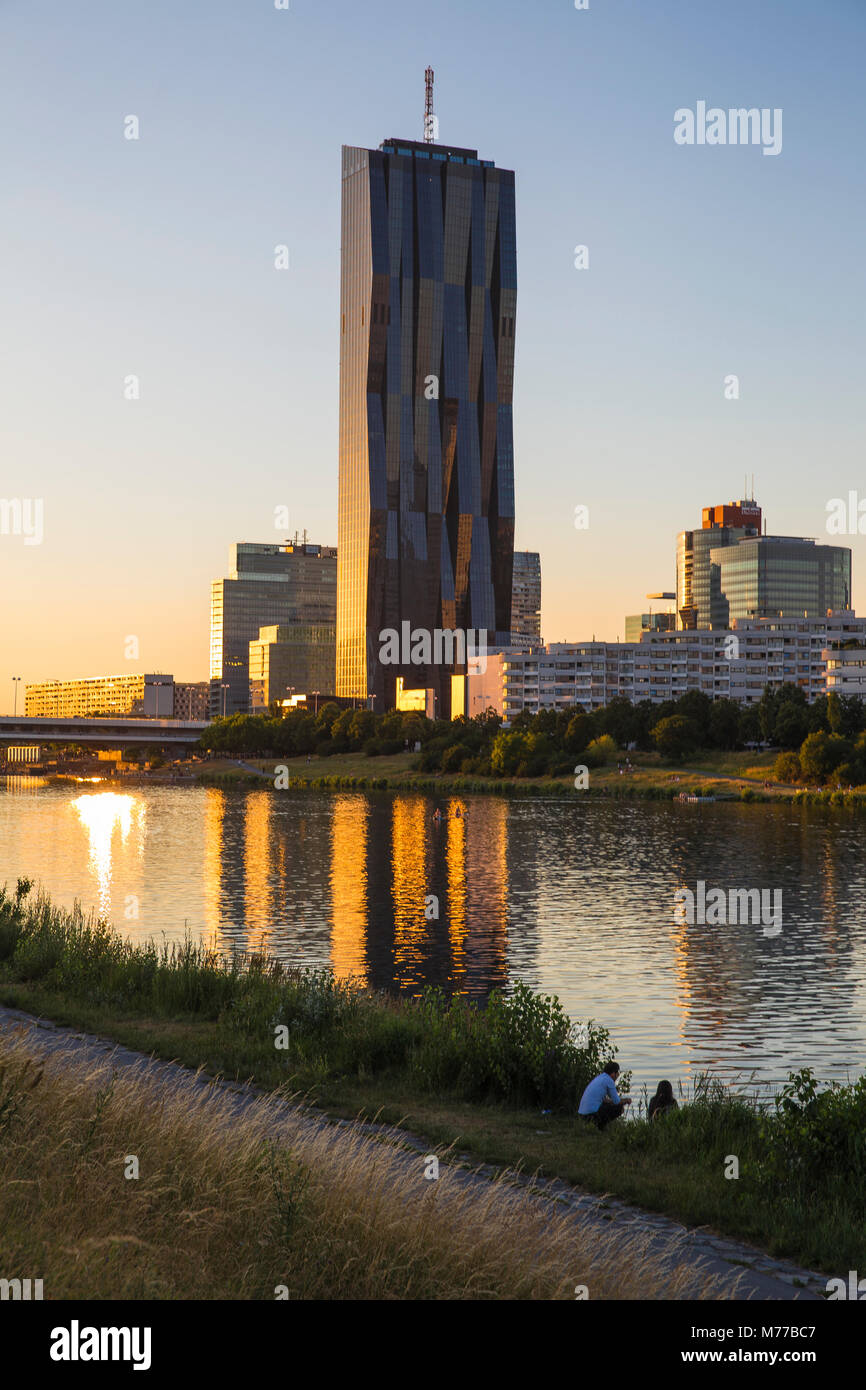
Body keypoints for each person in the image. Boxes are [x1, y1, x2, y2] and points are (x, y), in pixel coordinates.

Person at [578, 1062, 631, 1129]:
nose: (618, 1075)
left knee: (607, 1105)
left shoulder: (600, 1077)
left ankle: (597, 1126)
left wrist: (612, 1101)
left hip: (582, 1115)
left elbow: (605, 1100)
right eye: (617, 1073)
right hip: (591, 1115)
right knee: (619, 1108)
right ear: (613, 1073)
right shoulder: (609, 1081)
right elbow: (617, 1102)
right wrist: (627, 1100)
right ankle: (600, 1127)